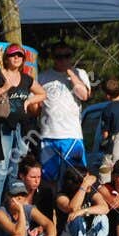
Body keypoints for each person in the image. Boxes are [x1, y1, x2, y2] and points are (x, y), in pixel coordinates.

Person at [0, 45, 44, 212]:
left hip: (21, 128)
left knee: (14, 172)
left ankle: (8, 211)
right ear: (6, 58)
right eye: (13, 55)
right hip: (1, 127)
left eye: (20, 55)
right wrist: (4, 88)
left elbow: (42, 93)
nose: (17, 58)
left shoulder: (26, 79)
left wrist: (29, 101)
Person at [36, 41, 90, 180]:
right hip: (49, 134)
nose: (63, 60)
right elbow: (35, 107)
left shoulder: (80, 73)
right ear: (53, 58)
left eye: (67, 56)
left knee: (76, 177)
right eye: (59, 56)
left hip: (71, 134)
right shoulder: (42, 77)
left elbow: (84, 95)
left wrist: (70, 73)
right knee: (49, 177)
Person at [55, 167, 109, 236]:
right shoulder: (61, 196)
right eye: (86, 180)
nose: (90, 183)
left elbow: (105, 208)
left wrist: (83, 211)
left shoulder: (90, 192)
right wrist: (84, 186)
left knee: (102, 217)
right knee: (76, 218)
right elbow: (73, 208)